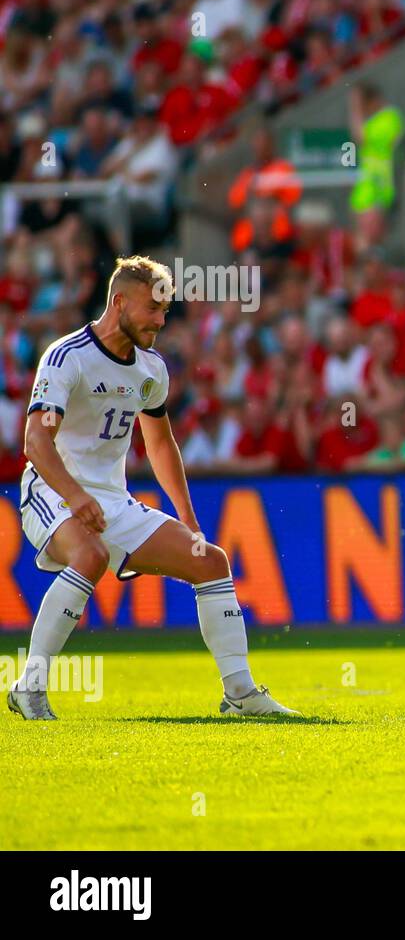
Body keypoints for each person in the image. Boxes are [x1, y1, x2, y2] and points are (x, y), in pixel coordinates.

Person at [12, 256, 297, 720]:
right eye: (152, 309)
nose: (161, 321)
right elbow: (35, 442)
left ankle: (241, 694)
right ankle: (31, 687)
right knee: (90, 557)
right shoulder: (67, 357)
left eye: (166, 311)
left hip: (110, 500)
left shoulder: (151, 369)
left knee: (211, 561)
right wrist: (77, 496)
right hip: (51, 488)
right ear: (119, 301)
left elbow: (160, 444)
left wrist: (187, 518)